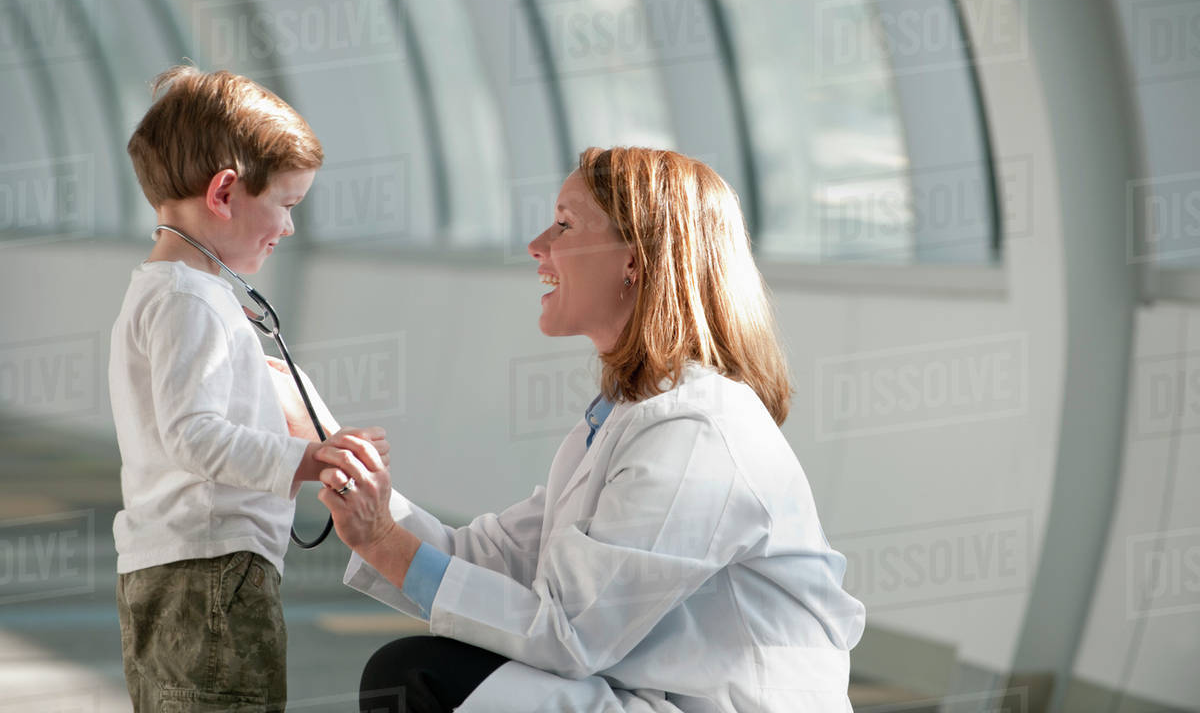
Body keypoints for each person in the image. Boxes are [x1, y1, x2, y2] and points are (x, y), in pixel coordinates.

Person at [304, 147, 865, 712]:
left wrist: (385, 541)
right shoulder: (632, 415)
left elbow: (570, 634)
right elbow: (483, 556)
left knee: (415, 675)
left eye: (565, 225)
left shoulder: (696, 431)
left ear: (635, 261)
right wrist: (345, 471)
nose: (537, 245)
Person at [109, 65, 389, 712]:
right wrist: (311, 458)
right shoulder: (192, 300)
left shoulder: (166, 292)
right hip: (214, 569)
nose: (288, 228)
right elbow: (194, 435)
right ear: (226, 190)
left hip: (176, 567)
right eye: (286, 205)